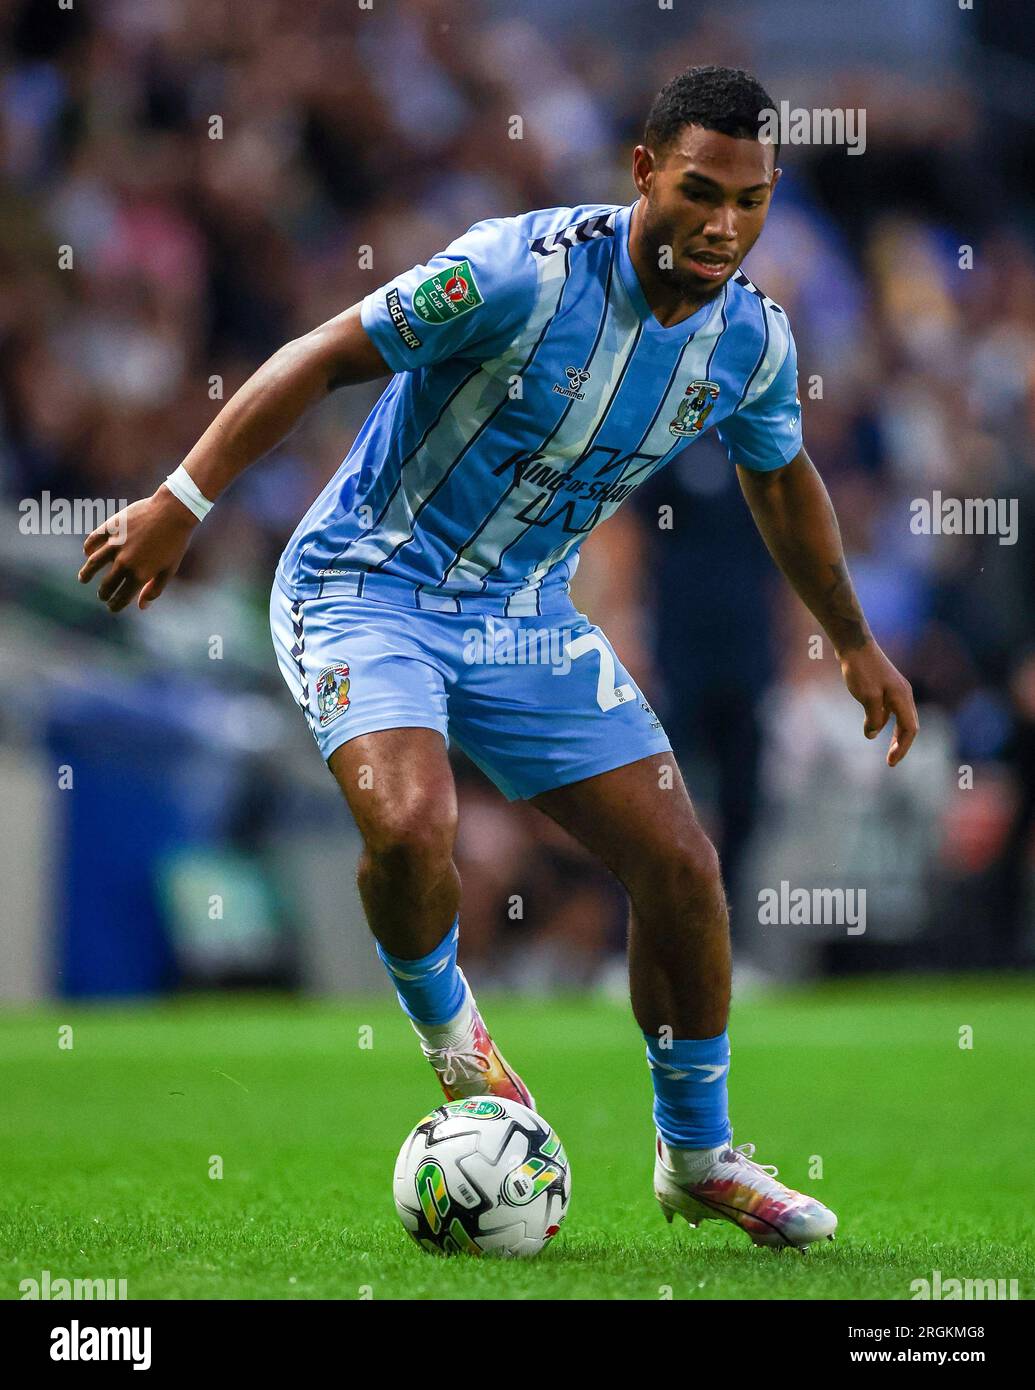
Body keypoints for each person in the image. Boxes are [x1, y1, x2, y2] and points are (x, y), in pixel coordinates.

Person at [79, 66, 918, 1250]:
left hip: (524, 618)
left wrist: (853, 640)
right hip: (367, 586)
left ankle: (699, 1157)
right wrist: (181, 496)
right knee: (416, 828)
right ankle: (456, 1045)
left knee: (682, 867)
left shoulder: (752, 344)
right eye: (698, 191)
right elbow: (324, 353)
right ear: (642, 172)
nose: (725, 225)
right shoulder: (515, 272)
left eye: (752, 199)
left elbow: (780, 475)